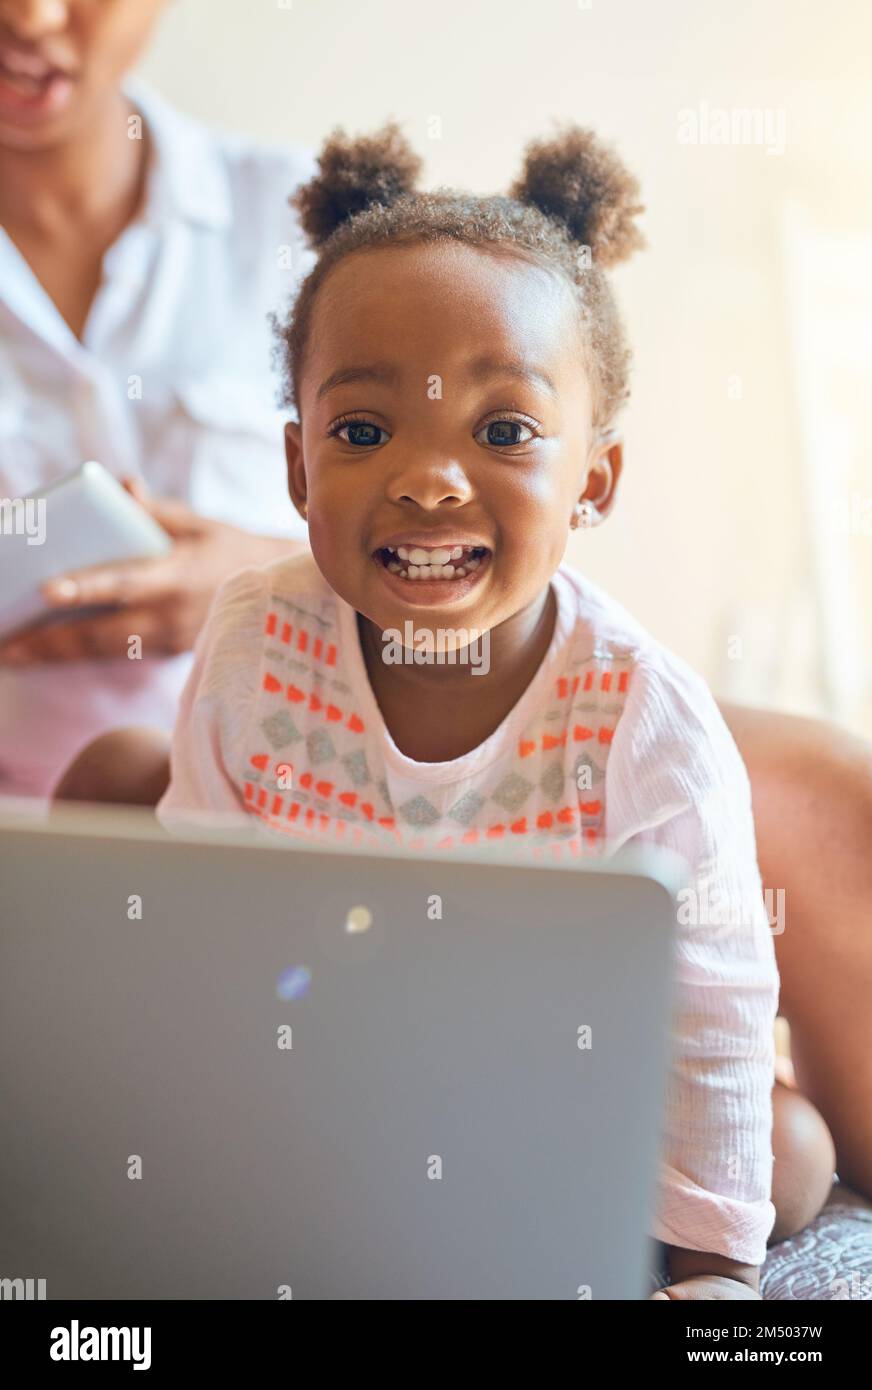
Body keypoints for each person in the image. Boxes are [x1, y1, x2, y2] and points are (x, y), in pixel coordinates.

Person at [148, 122, 840, 1298]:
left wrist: (713, 1269)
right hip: (336, 1057)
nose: (427, 478)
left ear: (595, 481)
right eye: (362, 431)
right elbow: (206, 924)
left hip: (554, 1083)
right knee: (122, 805)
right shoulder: (255, 638)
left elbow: (714, 1006)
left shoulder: (642, 720)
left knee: (786, 1154)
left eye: (504, 430)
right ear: (297, 468)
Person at [0, 0, 311, 797]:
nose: (30, 16)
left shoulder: (304, 224)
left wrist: (278, 589)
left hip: (257, 836)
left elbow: (468, 562)